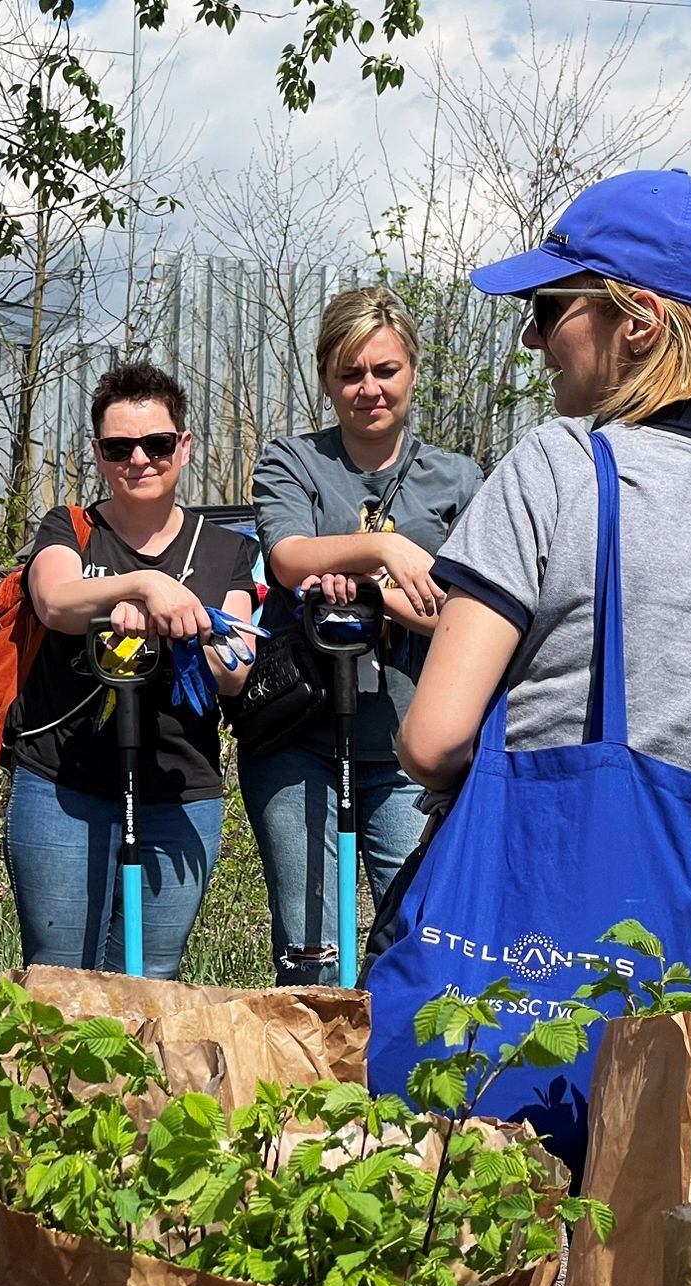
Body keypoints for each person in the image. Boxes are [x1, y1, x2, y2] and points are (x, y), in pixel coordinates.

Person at [397, 169, 691, 1001]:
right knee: (675, 1133)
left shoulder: (557, 468)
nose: (531, 341)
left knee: (489, 1127)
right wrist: (684, 800)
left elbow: (432, 742)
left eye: (549, 309)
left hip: (524, 919)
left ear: (641, 321)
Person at [238, 285, 481, 984]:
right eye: (350, 373)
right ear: (326, 377)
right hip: (300, 738)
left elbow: (471, 615)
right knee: (314, 949)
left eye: (385, 370)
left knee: (418, 934)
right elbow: (288, 558)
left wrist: (367, 586)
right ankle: (311, 1084)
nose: (369, 388)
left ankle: (402, 1086)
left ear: (411, 371)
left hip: (413, 750)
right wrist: (386, 553)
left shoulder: (457, 478)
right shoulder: (291, 461)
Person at [7, 363, 259, 977]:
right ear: (98, 454)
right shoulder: (71, 529)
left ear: (184, 446)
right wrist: (147, 585)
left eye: (157, 443)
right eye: (120, 447)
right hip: (62, 785)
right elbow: (56, 603)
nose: (139, 459)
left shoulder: (224, 549)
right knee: (57, 980)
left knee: (149, 984)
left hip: (177, 790)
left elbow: (234, 670)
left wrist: (193, 631)